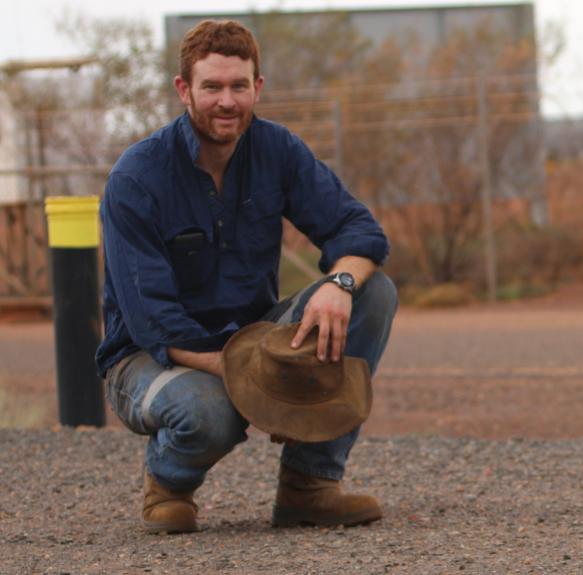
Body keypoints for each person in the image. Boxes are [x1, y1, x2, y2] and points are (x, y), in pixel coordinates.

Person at [96, 19, 397, 534]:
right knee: (209, 413)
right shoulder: (137, 178)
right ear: (184, 89)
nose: (227, 101)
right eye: (212, 86)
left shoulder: (277, 150)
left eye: (239, 86)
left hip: (250, 336)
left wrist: (339, 286)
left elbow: (359, 231)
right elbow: (153, 322)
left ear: (257, 87)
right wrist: (256, 380)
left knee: (374, 292)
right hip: (148, 356)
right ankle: (168, 483)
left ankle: (309, 486)